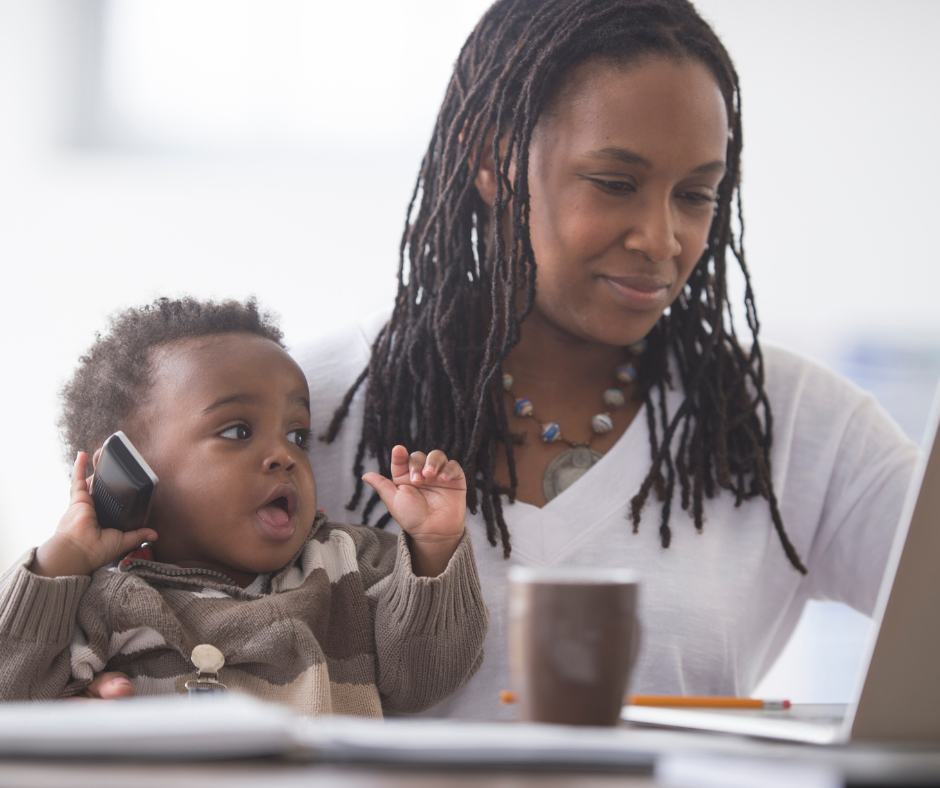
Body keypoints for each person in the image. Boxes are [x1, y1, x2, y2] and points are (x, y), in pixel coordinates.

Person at [88, 0, 919, 717]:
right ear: (491, 157)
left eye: (697, 194)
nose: (663, 239)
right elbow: (116, 622)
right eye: (615, 183)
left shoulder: (797, 424)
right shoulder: (304, 420)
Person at [0, 297, 488, 716]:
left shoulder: (347, 567)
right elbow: (11, 696)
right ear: (124, 469)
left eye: (297, 436)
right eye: (238, 431)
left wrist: (433, 548)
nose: (285, 456)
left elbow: (425, 681)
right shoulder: (100, 599)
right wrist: (59, 559)